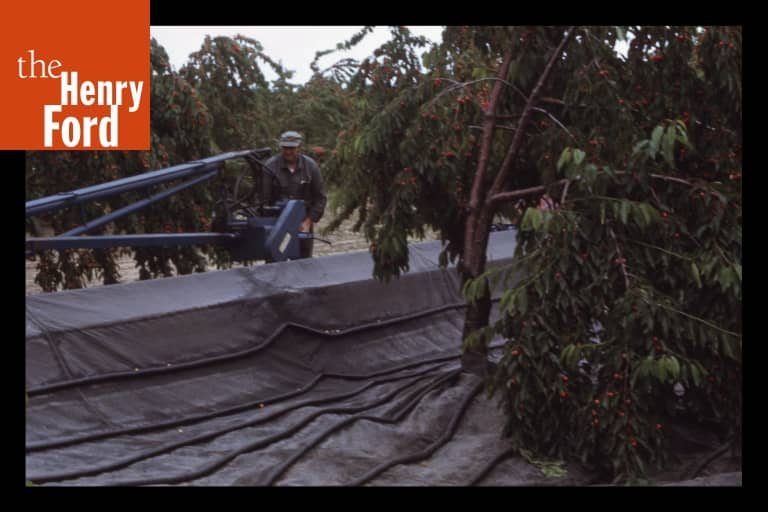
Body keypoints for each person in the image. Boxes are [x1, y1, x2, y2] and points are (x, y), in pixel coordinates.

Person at [262, 130, 327, 259]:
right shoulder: (270, 166)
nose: (288, 152)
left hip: (303, 223)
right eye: (285, 148)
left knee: (304, 262)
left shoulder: (311, 166)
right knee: (274, 260)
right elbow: (263, 199)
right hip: (277, 224)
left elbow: (320, 198)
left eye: (292, 148)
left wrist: (309, 221)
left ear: (299, 148)